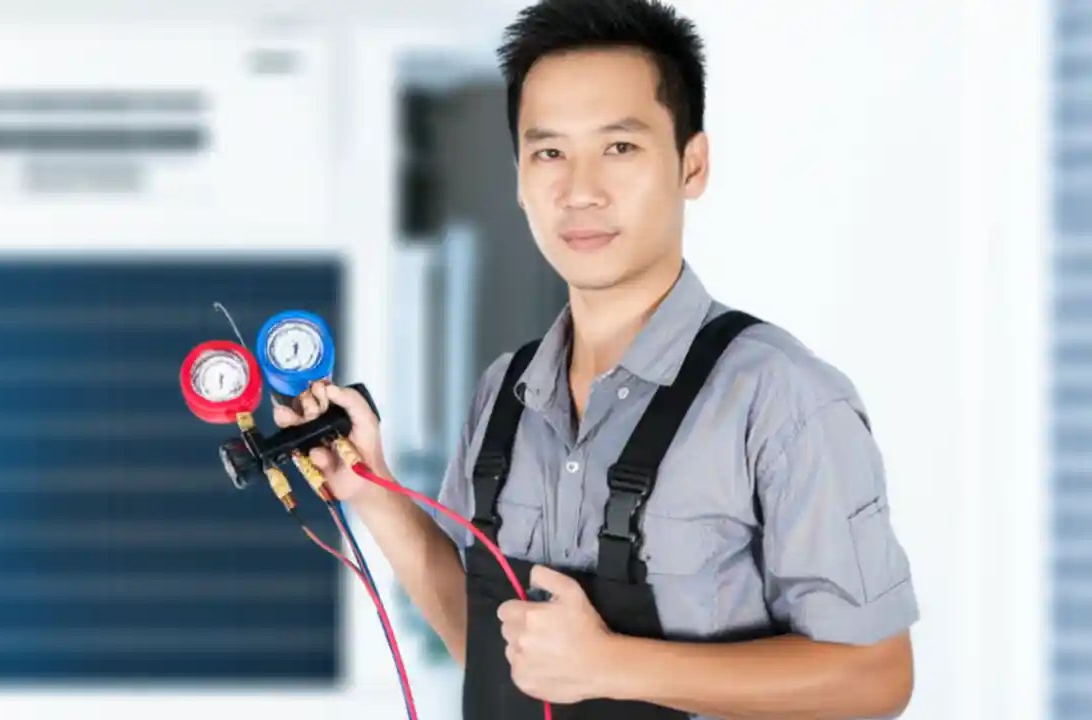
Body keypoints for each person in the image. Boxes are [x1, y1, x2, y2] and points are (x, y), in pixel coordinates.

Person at [274, 0, 919, 717]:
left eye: (620, 147)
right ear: (520, 176)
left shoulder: (781, 398)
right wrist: (371, 486)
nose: (580, 191)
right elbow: (494, 646)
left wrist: (612, 665)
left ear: (692, 164)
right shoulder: (505, 393)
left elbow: (876, 678)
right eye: (549, 152)